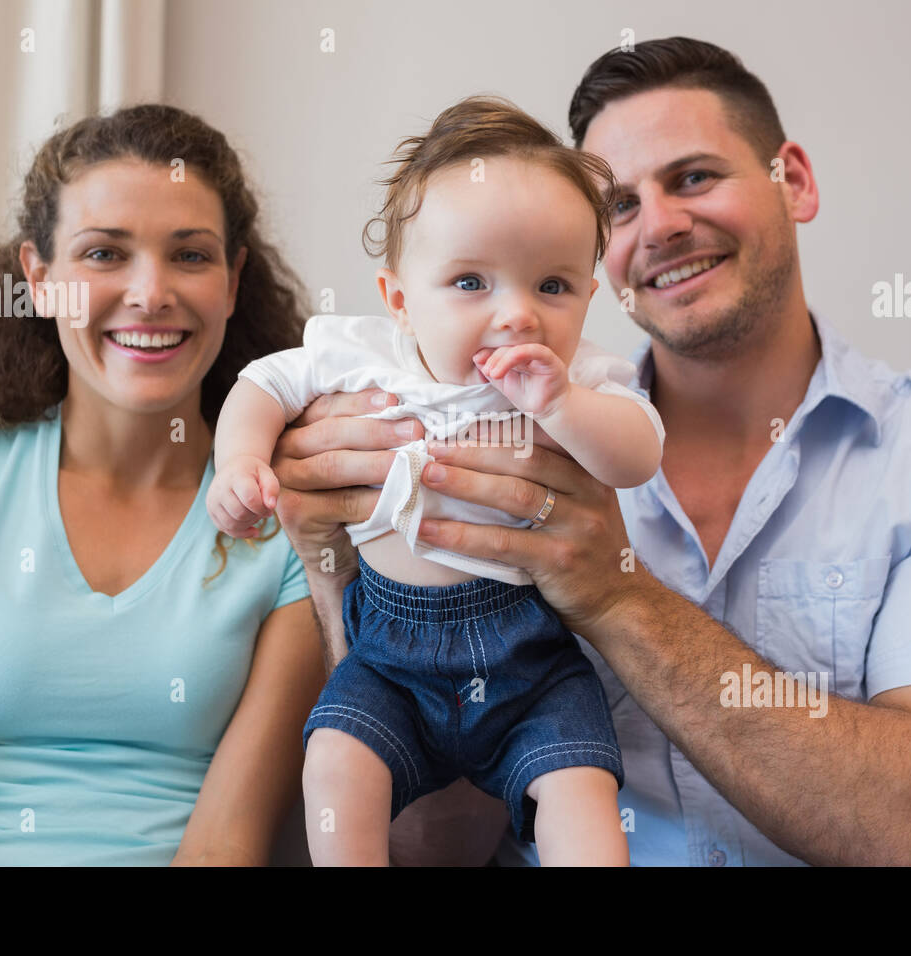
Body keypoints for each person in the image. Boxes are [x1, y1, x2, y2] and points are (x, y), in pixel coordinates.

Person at [267, 38, 911, 866]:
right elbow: (431, 848)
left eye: (694, 177)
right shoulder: (471, 437)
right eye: (619, 206)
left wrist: (618, 600)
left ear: (791, 180)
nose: (660, 226)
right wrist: (334, 561)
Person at [0, 104, 325, 866]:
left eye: (190, 256)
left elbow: (225, 848)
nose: (150, 292)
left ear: (233, 280)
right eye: (104, 255)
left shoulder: (287, 520)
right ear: (40, 278)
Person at [209, 97, 665, 865]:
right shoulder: (365, 356)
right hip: (388, 655)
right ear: (400, 303)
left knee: (580, 783)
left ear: (589, 299)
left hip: (530, 661)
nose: (517, 314)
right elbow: (262, 384)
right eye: (470, 283)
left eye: (552, 286)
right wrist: (241, 462)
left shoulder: (580, 378)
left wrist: (562, 404)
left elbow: (639, 452)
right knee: (333, 760)